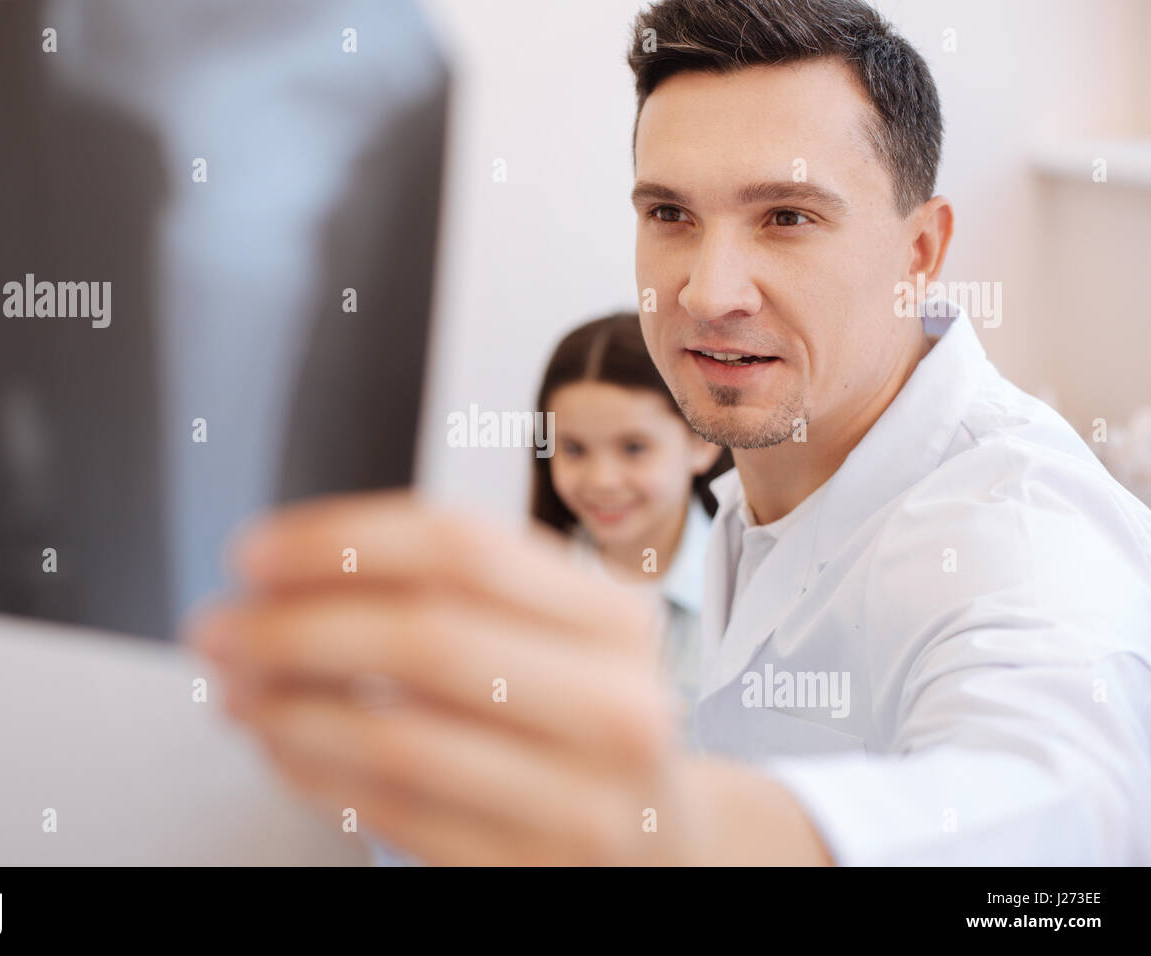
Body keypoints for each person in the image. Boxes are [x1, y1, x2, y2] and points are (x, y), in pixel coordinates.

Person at [190, 0, 1151, 865]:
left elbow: (1068, 815)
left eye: (786, 216)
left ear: (921, 251)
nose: (708, 292)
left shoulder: (1023, 533)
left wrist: (673, 831)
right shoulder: (757, 477)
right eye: (670, 213)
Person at [532, 312, 731, 747]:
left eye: (634, 448)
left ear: (701, 442)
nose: (602, 480)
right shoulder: (528, 590)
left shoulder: (744, 599)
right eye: (574, 448)